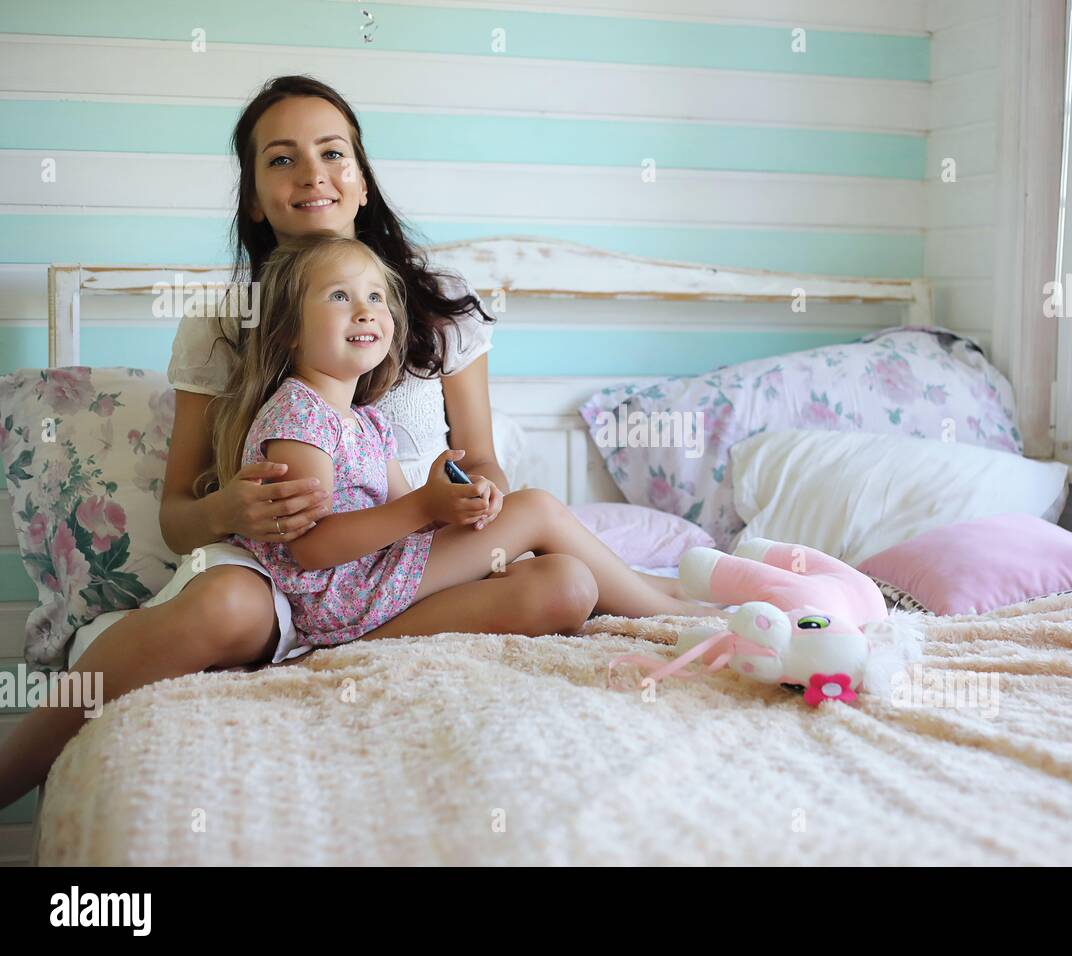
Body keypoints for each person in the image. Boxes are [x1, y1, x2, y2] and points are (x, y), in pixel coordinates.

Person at [0, 76, 718, 811]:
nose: (313, 174)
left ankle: (658, 599)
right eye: (281, 159)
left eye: (333, 153)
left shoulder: (429, 312)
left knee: (565, 585)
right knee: (229, 608)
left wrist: (467, 493)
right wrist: (231, 512)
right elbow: (181, 516)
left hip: (395, 572)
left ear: (363, 179)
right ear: (252, 196)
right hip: (291, 571)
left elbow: (475, 461)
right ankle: (13, 764)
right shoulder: (230, 331)